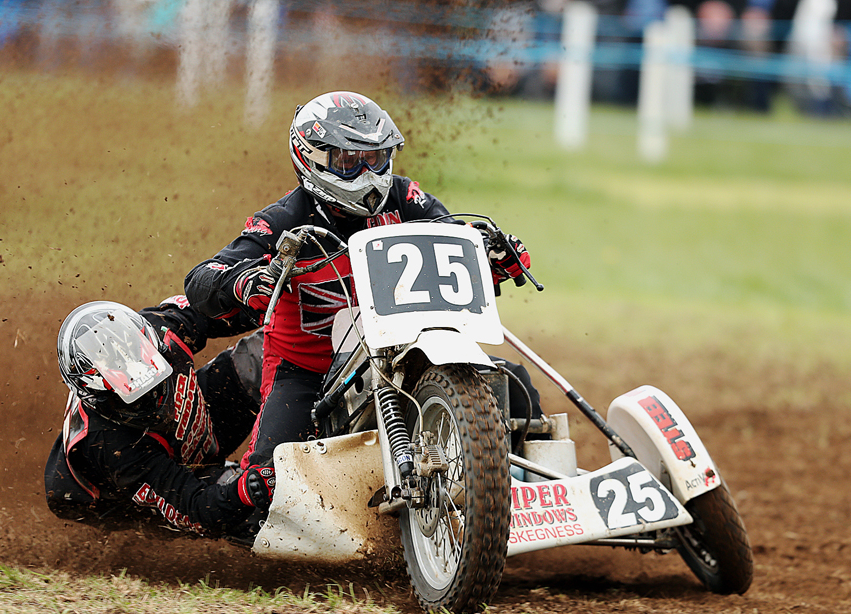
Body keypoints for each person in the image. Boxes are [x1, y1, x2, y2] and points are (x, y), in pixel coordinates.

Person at [183, 91, 537, 507]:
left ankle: (511, 488)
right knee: (268, 484)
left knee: (516, 387)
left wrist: (495, 255)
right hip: (309, 371)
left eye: (377, 158)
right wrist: (248, 280)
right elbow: (202, 278)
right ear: (311, 158)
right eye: (350, 161)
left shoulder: (405, 199)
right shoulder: (283, 219)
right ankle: (205, 499)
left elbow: (453, 239)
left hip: (407, 350)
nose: (369, 175)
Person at [43, 295, 276, 545]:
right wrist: (244, 491)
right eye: (133, 397)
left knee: (271, 348)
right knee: (249, 509)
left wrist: (272, 305)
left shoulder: (164, 327)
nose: (152, 399)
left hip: (200, 421)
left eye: (153, 377)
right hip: (116, 491)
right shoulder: (111, 445)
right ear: (97, 398)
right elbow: (198, 509)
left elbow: (221, 303)